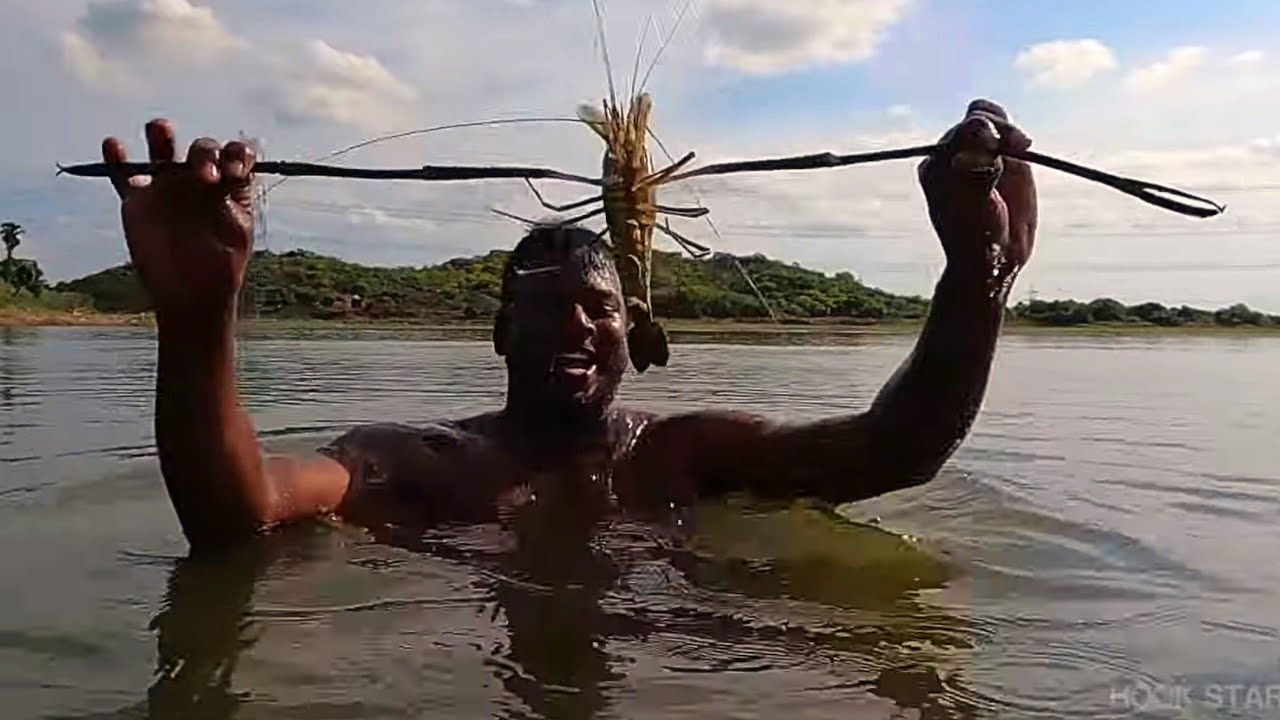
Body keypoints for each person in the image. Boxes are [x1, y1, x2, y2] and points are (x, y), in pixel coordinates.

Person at [98, 98, 1037, 553]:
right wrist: (197, 320)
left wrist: (977, 275)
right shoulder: (411, 460)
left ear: (634, 331)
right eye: (547, 307)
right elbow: (239, 512)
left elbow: (897, 452)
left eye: (599, 308)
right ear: (501, 334)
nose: (577, 326)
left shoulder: (686, 452)